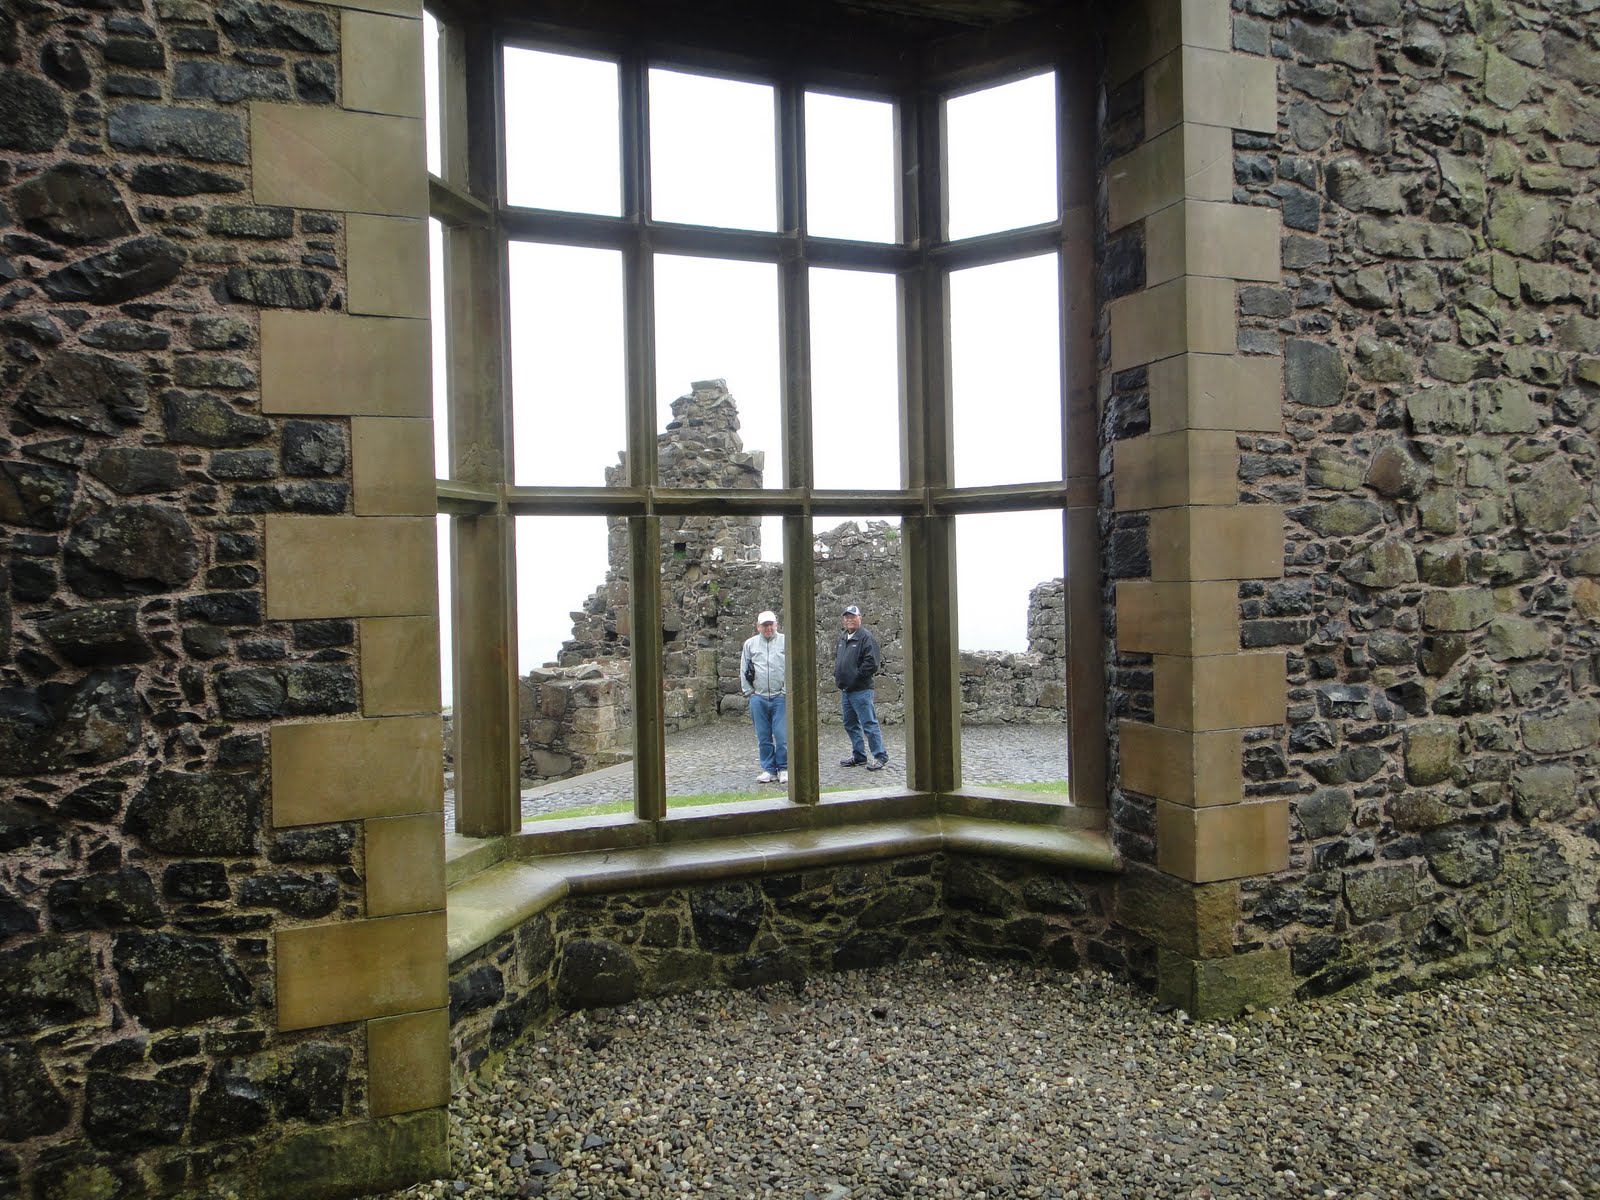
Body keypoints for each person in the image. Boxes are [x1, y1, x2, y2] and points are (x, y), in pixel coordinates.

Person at [833, 604, 888, 771]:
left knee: (869, 724)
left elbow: (872, 664)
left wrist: (855, 677)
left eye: (853, 617)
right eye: (847, 617)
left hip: (861, 690)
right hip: (846, 690)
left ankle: (880, 756)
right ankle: (859, 755)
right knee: (850, 724)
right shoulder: (843, 638)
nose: (849, 620)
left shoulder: (866, 637)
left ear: (860, 618)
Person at [740, 610, 787, 785]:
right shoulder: (750, 644)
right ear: (758, 626)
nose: (768, 628)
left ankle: (784, 767)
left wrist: (785, 691)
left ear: (776, 625)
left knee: (782, 736)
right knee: (763, 736)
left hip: (780, 697)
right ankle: (768, 769)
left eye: (771, 624)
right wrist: (749, 692)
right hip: (758, 697)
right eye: (764, 625)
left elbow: (791, 666)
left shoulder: (785, 641)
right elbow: (744, 668)